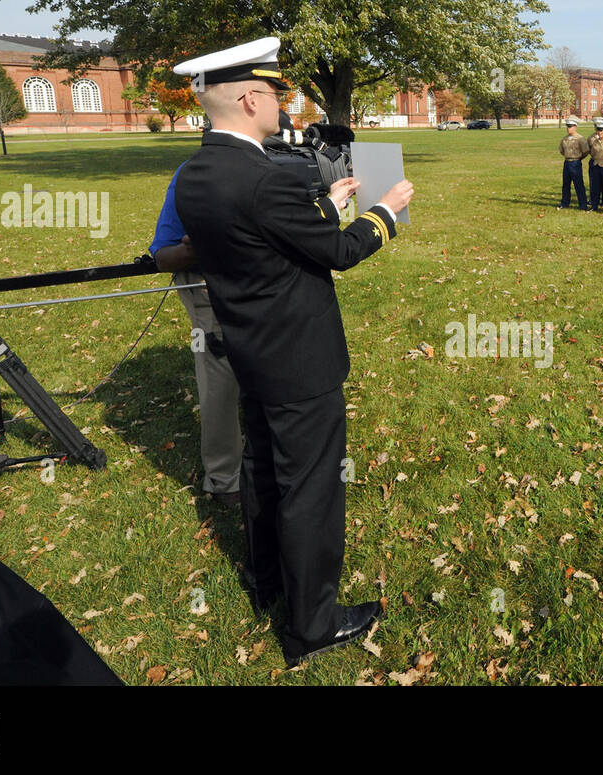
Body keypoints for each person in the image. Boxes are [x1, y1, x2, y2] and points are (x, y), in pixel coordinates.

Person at [170, 37, 415, 666]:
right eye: (276, 92)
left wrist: (321, 207)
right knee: (309, 487)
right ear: (251, 98)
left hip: (251, 350)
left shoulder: (198, 172)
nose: (283, 102)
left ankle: (267, 577)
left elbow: (264, 239)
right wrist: (383, 211)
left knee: (261, 468)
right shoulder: (262, 178)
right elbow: (338, 253)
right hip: (300, 361)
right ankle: (312, 622)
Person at [148, 149, 244, 508]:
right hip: (208, 286)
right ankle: (224, 479)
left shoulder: (273, 168)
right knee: (219, 368)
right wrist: (199, 251)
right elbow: (162, 254)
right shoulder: (193, 174)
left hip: (268, 286)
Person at [558, 118, 590, 210]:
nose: (568, 128)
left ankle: (583, 204)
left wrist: (578, 158)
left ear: (575, 127)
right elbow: (562, 150)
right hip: (567, 162)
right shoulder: (564, 139)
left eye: (571, 126)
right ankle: (564, 203)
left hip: (575, 162)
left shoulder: (580, 139)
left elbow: (585, 151)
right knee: (566, 184)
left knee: (578, 184)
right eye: (567, 126)